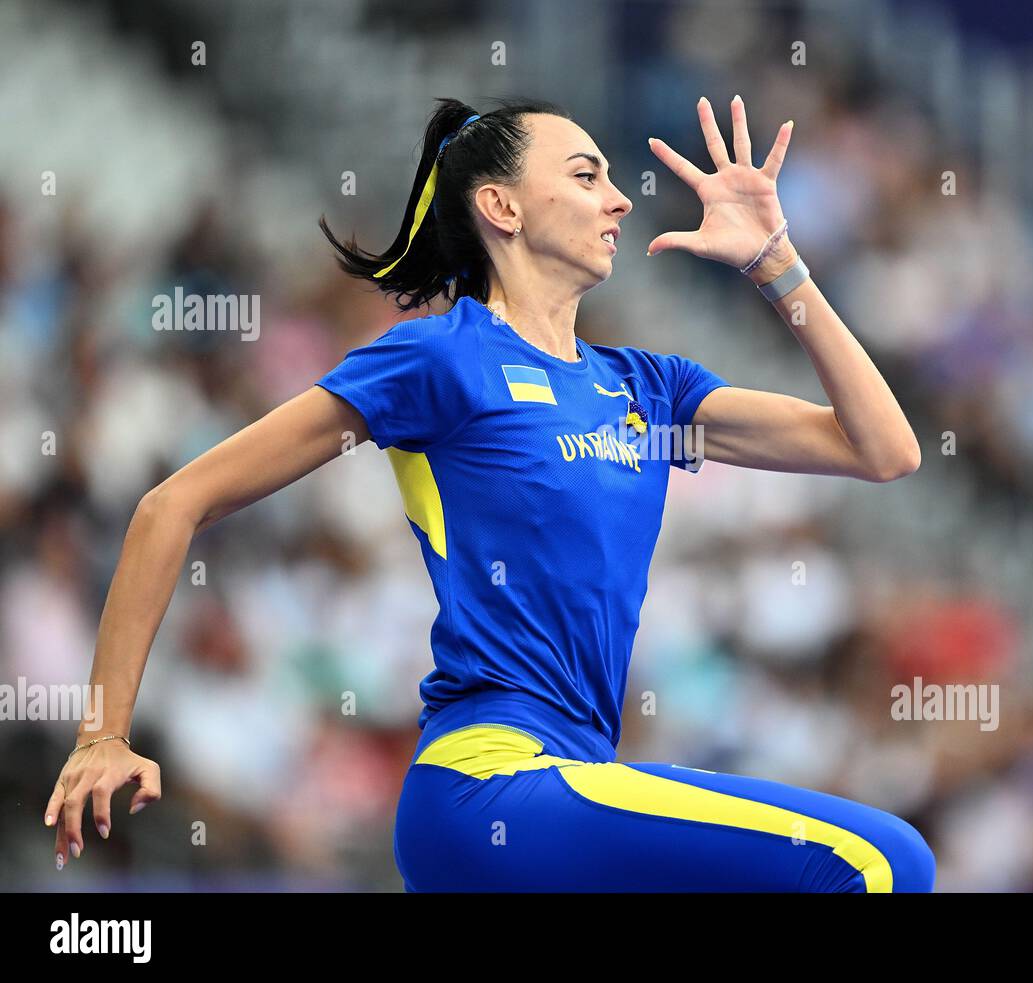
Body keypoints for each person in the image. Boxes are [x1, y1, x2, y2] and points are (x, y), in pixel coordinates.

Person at [46, 94, 932, 892]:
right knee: (879, 860)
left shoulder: (651, 391)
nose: (619, 200)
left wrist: (778, 265)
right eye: (586, 176)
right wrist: (101, 733)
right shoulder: (443, 357)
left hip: (574, 793)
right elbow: (173, 503)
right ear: (500, 207)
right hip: (491, 788)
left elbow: (883, 448)